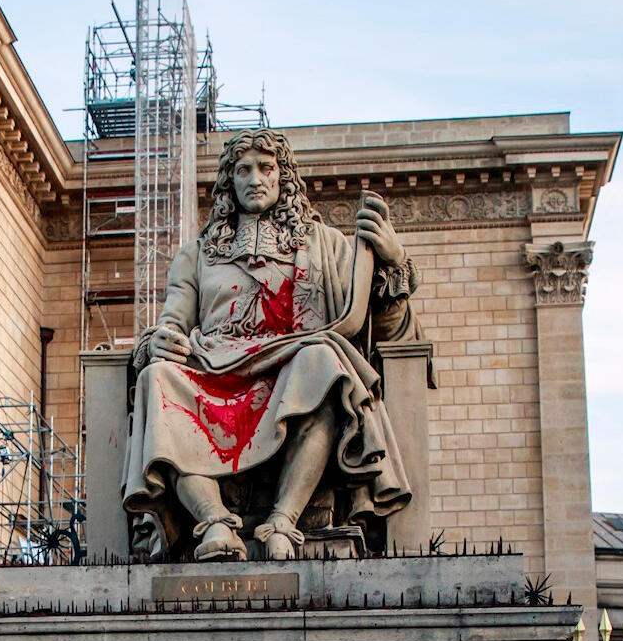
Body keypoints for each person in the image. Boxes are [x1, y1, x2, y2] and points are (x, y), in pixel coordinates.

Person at [122, 129, 420, 561]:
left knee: (323, 360)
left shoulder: (326, 246)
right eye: (243, 170)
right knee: (157, 378)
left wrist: (393, 262)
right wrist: (159, 343)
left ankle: (283, 521)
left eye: (267, 168)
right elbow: (172, 323)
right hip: (215, 370)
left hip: (292, 370)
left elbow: (386, 330)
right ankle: (214, 523)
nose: (255, 178)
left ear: (284, 177)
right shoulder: (198, 255)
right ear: (230, 183)